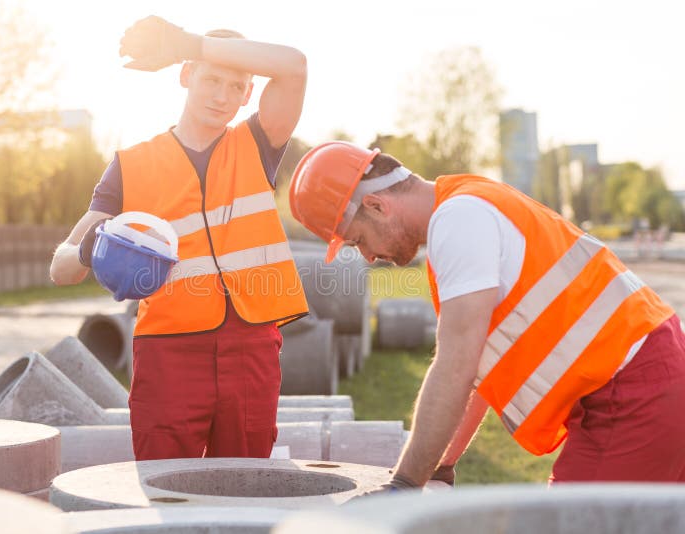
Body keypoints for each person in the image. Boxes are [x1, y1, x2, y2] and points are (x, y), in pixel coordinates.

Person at [289, 141, 685, 490]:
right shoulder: (468, 205)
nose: (369, 256)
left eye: (358, 239)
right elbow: (477, 370)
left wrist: (405, 484)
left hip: (631, 391)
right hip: (644, 373)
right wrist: (440, 464)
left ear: (376, 205)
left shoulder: (459, 221)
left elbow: (455, 366)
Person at [50, 15, 309, 460]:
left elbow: (294, 65)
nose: (222, 96)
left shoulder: (257, 143)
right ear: (186, 75)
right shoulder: (131, 165)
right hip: (168, 354)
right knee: (166, 489)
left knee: (245, 487)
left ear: (250, 93)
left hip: (250, 348)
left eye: (236, 86)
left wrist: (191, 43)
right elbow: (61, 269)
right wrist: (92, 248)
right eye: (211, 80)